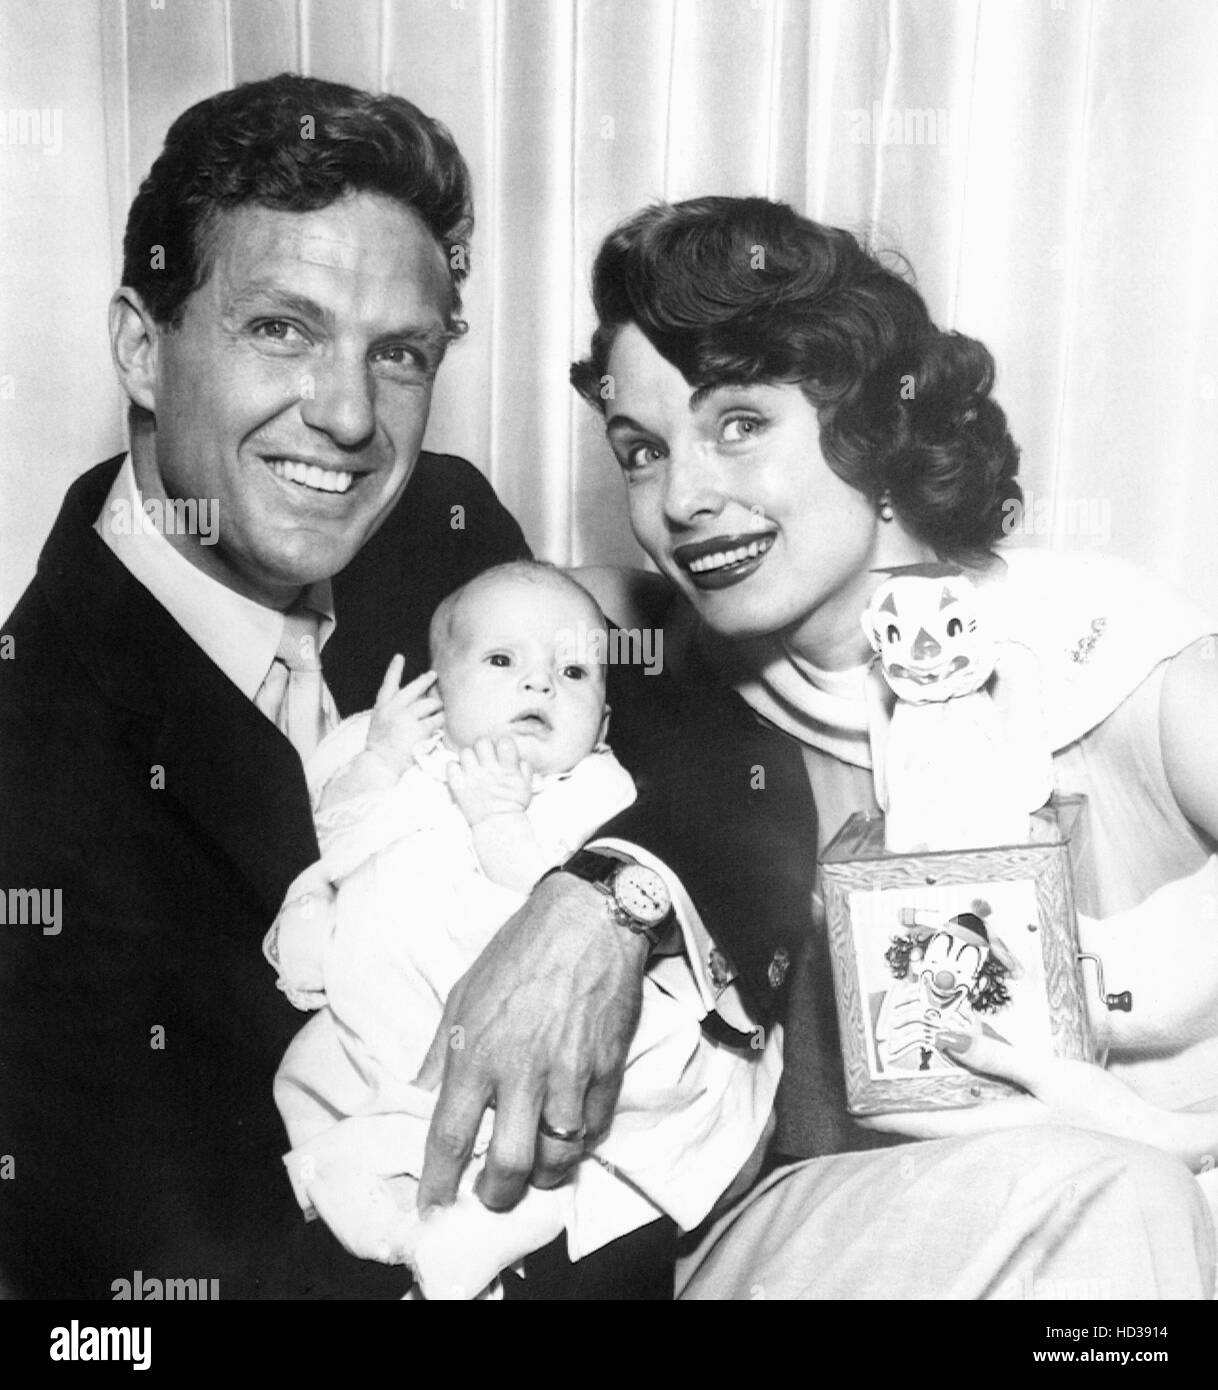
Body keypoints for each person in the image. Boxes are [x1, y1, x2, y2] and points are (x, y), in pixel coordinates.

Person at [0, 75, 809, 1300]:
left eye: (399, 355)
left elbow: (725, 749)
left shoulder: (438, 523)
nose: (345, 416)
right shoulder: (29, 770)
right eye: (282, 328)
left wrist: (605, 899)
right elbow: (147, 1274)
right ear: (140, 346)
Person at [570, 195, 1218, 1298]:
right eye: (641, 450)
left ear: (873, 426)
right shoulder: (658, 679)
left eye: (738, 423)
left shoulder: (1107, 653)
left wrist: (1154, 1122)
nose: (681, 497)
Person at [265, 561, 779, 1298]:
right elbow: (333, 839)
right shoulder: (394, 753)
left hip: (536, 1030)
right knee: (332, 1103)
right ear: (438, 690)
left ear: (602, 722)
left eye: (573, 671)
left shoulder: (593, 787)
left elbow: (540, 921)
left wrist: (498, 819)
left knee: (591, 1141)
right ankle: (400, 1231)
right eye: (503, 661)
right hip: (391, 1019)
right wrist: (378, 759)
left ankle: (494, 1231)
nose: (540, 686)